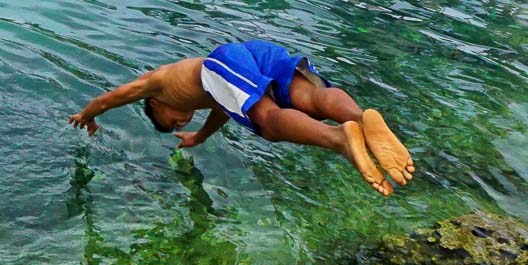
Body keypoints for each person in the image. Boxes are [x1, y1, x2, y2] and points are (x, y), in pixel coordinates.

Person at [67, 40, 415, 197]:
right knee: (308, 97)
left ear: (155, 104)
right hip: (253, 54)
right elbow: (225, 107)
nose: (178, 123)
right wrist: (198, 138)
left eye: (170, 122)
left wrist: (88, 116)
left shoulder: (155, 84)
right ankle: (360, 117)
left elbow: (112, 96)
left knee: (268, 121)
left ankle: (340, 138)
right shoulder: (208, 93)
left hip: (222, 63)